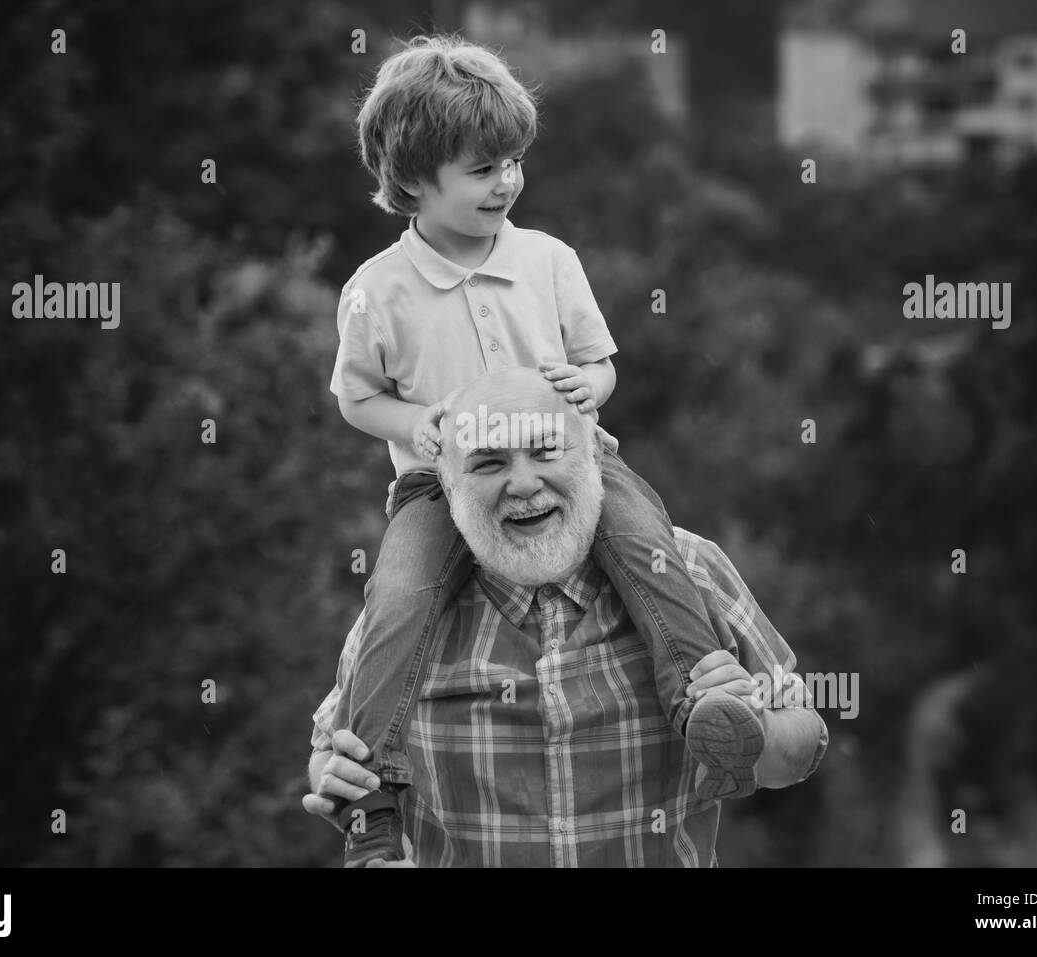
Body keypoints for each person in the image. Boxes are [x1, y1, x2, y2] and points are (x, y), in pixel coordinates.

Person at [328, 34, 763, 867]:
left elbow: (600, 364)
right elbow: (356, 397)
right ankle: (372, 797)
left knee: (648, 543)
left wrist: (584, 388)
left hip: (574, 461)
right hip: (439, 482)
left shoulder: (549, 261)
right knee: (397, 598)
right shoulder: (377, 290)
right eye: (483, 169)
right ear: (414, 179)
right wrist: (417, 423)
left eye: (515, 161)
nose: (508, 181)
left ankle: (702, 698)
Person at [305, 370, 829, 867]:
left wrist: (755, 725)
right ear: (447, 484)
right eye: (488, 463)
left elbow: (801, 749)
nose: (524, 484)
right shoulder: (408, 605)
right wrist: (349, 799)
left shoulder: (686, 571)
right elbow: (333, 756)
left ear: (597, 455)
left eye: (546, 449)